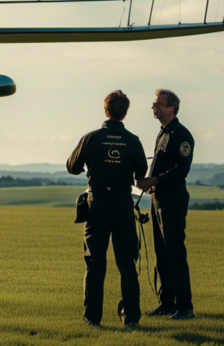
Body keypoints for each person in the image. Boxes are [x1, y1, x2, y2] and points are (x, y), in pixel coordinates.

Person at [67, 90, 147, 328]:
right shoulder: (133, 141)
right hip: (123, 205)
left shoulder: (90, 138)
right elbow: (141, 174)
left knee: (94, 263)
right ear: (125, 112)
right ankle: (131, 318)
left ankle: (92, 318)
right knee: (126, 264)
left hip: (97, 205)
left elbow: (72, 167)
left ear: (106, 110)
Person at [137, 88, 195, 320]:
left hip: (172, 200)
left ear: (171, 108)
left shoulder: (182, 134)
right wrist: (151, 183)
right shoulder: (162, 133)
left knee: (174, 253)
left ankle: (185, 307)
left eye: (159, 104)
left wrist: (157, 179)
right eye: (154, 104)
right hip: (158, 198)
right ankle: (167, 303)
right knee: (162, 253)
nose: (154, 107)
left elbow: (182, 169)